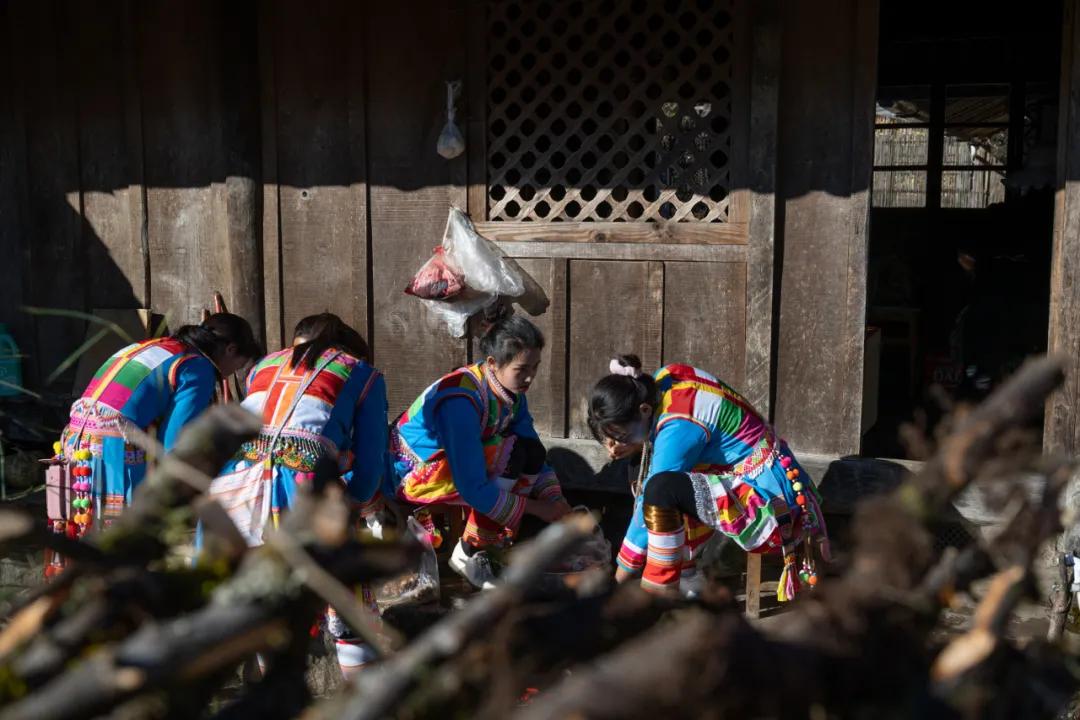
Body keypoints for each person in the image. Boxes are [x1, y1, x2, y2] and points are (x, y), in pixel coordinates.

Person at [206, 312, 387, 678]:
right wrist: (357, 503)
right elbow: (369, 472)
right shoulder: (363, 374)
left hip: (232, 488)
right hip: (302, 489)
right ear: (349, 348)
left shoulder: (265, 365)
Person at [587, 355, 829, 598]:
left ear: (645, 409)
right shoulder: (667, 379)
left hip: (772, 502)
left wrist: (619, 579)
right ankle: (688, 577)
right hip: (773, 475)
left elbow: (648, 502)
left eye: (621, 436)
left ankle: (657, 595)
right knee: (659, 475)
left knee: (660, 491)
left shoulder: (680, 423)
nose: (614, 448)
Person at [388, 315, 571, 590]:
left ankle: (487, 542)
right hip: (410, 472)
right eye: (522, 370)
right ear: (493, 364)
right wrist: (538, 509)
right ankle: (473, 548)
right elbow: (471, 486)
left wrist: (556, 501)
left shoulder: (511, 393)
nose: (530, 377)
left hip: (459, 466)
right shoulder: (460, 400)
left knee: (529, 450)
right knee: (512, 453)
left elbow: (533, 448)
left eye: (535, 367)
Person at [57, 313, 259, 536]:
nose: (228, 375)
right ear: (230, 350)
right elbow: (176, 443)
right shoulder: (196, 365)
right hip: (114, 447)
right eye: (237, 366)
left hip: (75, 438)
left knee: (82, 525)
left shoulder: (151, 345)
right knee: (124, 535)